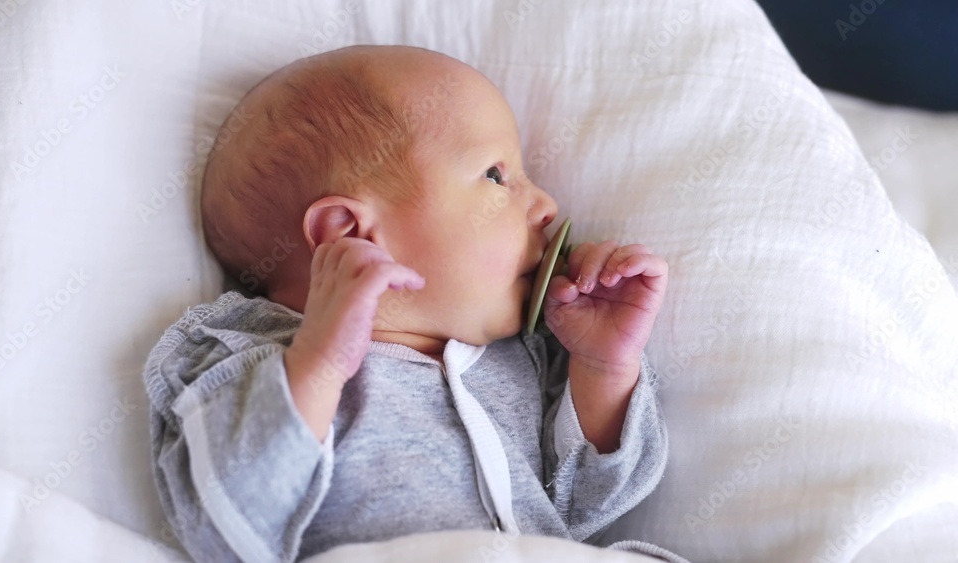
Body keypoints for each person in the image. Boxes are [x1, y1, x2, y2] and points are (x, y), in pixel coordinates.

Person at [142, 44, 687, 562]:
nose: (546, 204)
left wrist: (602, 368)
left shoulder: (519, 359)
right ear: (348, 233)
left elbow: (583, 508)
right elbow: (221, 524)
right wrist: (320, 361)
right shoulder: (243, 356)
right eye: (496, 175)